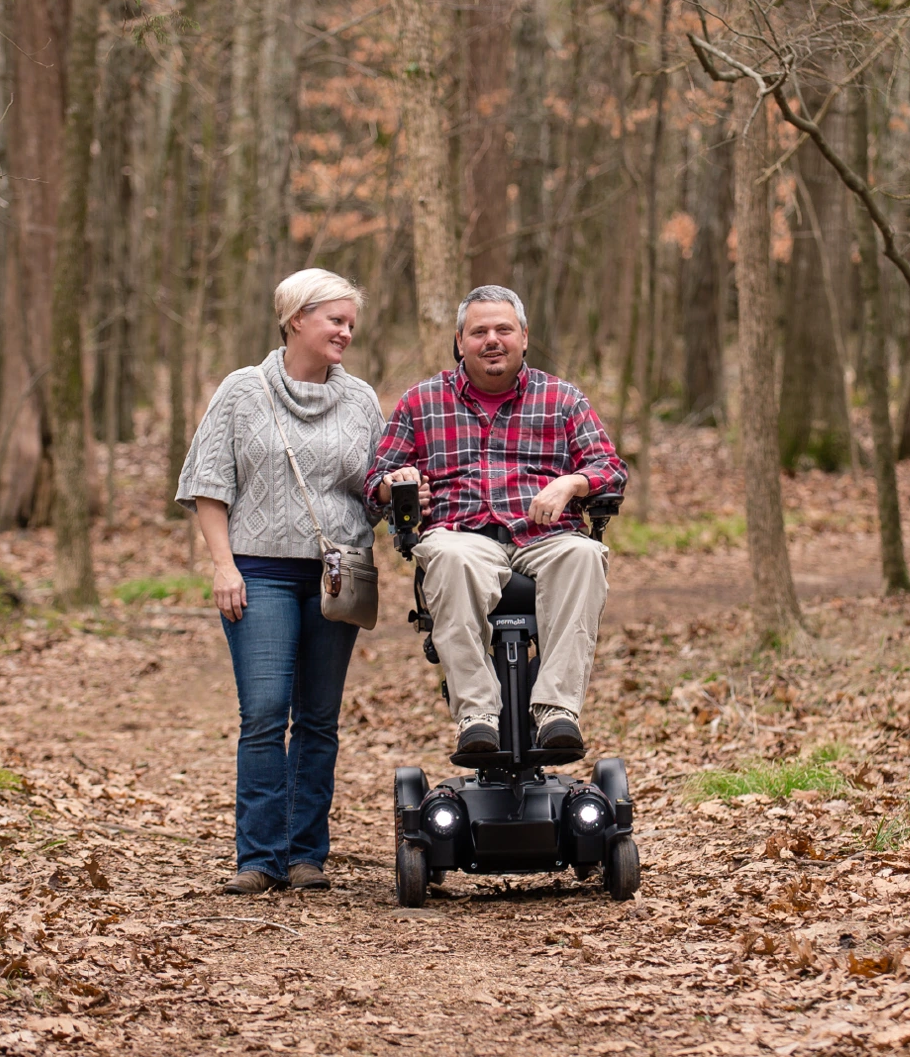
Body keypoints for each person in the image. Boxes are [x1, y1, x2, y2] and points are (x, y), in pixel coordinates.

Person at [177, 268, 384, 895]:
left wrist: (401, 491)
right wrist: (222, 565)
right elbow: (208, 484)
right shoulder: (242, 392)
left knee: (318, 718)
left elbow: (375, 493)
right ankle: (258, 858)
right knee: (265, 713)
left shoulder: (364, 402)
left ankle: (305, 855)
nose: (346, 331)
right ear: (296, 319)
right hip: (258, 572)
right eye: (334, 320)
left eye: (351, 322)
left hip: (336, 576)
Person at [367, 285, 627, 755]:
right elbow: (374, 485)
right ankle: (477, 716)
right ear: (460, 341)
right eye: (479, 331)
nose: (492, 339)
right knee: (448, 555)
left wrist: (572, 484)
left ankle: (557, 712)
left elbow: (610, 470)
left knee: (585, 555)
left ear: (523, 337)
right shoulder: (421, 402)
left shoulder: (562, 398)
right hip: (461, 533)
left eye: (503, 329)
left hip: (545, 535)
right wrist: (396, 484)